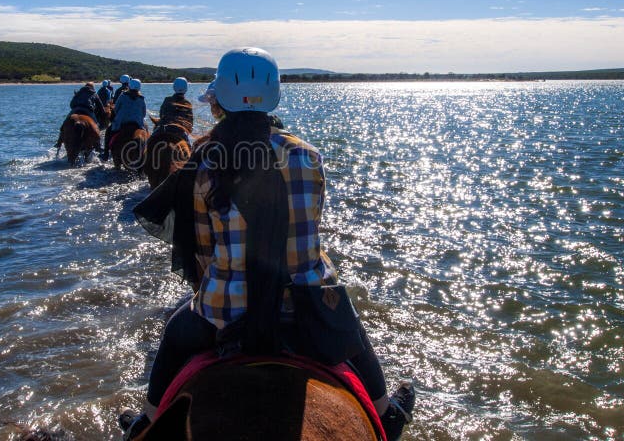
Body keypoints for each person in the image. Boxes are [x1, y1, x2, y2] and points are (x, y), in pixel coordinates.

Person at [124, 48, 414, 440]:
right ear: (274, 96)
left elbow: (204, 251)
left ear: (219, 101)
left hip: (226, 310)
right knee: (355, 336)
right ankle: (386, 413)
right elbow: (308, 226)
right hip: (308, 301)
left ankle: (146, 421)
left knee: (174, 337)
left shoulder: (204, 162)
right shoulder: (310, 156)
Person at [102, 78, 146, 161]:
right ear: (139, 87)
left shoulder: (123, 96)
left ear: (130, 86)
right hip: (137, 124)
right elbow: (143, 113)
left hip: (121, 123)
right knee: (146, 134)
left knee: (108, 131)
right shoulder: (141, 99)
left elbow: (115, 109)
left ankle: (106, 153)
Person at [53, 82, 106, 150]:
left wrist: (75, 108)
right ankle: (98, 145)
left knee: (65, 123)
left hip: (76, 109)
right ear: (92, 87)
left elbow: (71, 104)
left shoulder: (78, 92)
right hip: (88, 110)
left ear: (85, 86)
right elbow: (100, 107)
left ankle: (59, 142)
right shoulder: (94, 93)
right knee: (96, 126)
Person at [155, 77, 194, 141]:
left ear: (174, 87)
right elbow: (190, 122)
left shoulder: (167, 100)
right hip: (180, 132)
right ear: (186, 88)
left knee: (150, 140)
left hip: (165, 129)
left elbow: (161, 115)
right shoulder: (188, 103)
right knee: (189, 147)